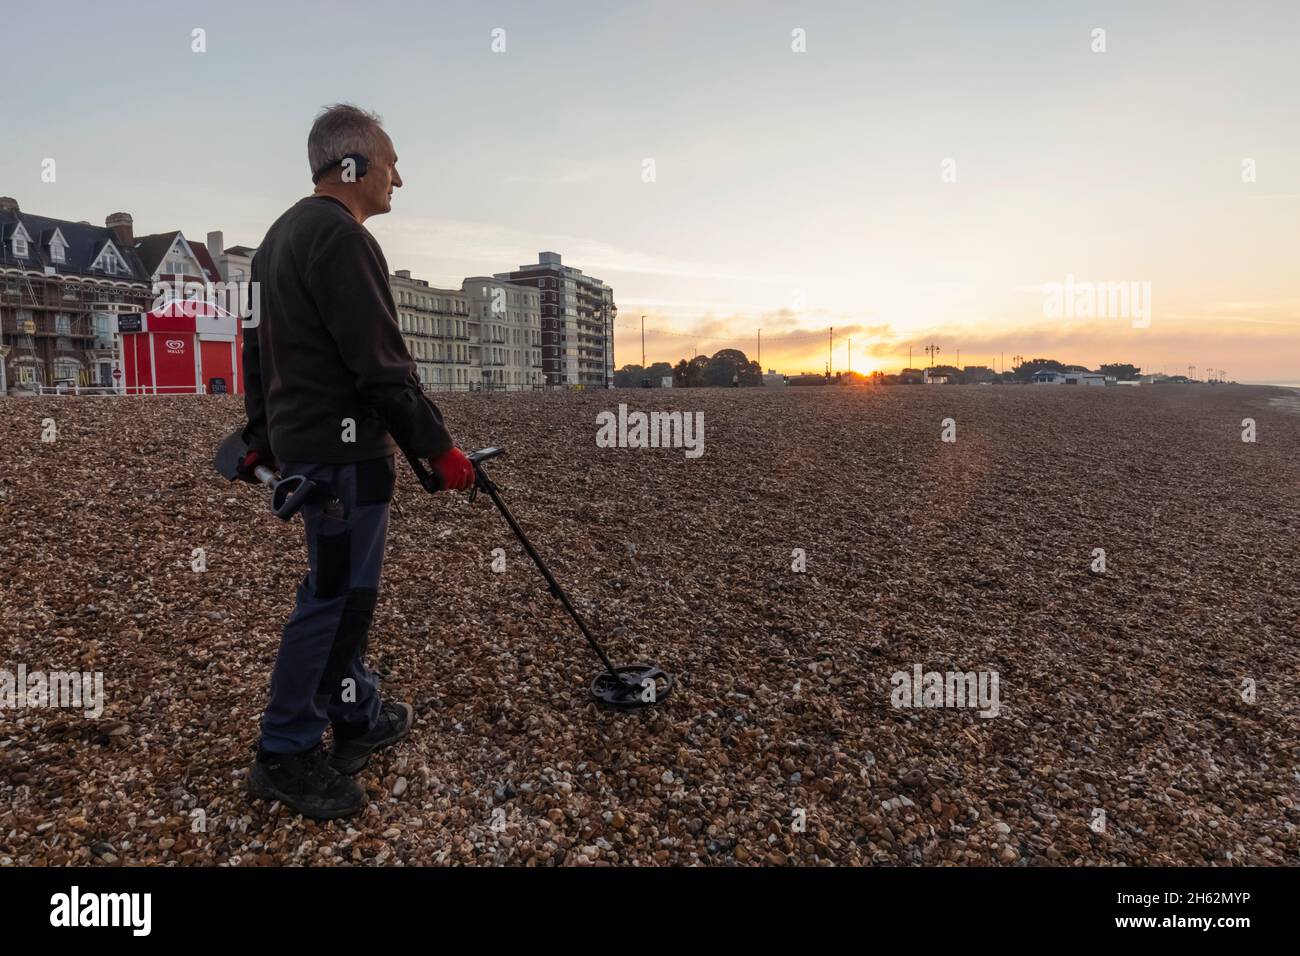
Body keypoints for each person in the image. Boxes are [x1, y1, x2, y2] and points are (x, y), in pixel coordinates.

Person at [236, 104, 475, 819]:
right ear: (352, 165)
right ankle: (283, 749)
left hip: (310, 450)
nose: (399, 176)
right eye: (391, 161)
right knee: (337, 597)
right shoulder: (341, 238)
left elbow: (258, 353)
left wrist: (262, 438)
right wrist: (440, 450)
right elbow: (382, 368)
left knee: (341, 591)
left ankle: (356, 710)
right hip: (344, 458)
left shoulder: (279, 238)